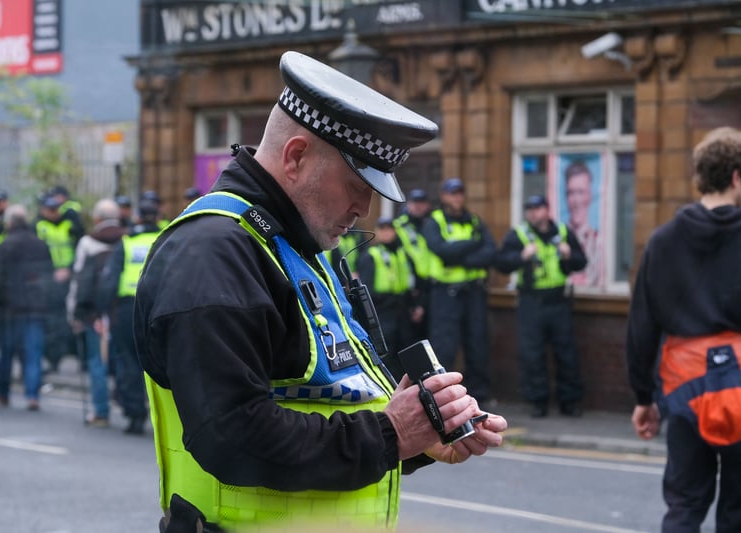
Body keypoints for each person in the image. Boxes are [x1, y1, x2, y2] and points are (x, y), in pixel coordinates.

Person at [133, 51, 507, 532]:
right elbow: (231, 436)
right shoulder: (213, 254)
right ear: (295, 157)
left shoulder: (292, 246)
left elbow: (331, 402)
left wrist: (417, 437)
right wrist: (391, 432)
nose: (364, 209)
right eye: (355, 184)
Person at [627, 127, 741, 532]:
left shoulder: (663, 241)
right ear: (736, 177)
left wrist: (644, 398)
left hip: (684, 387)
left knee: (684, 504)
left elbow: (642, 327)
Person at [495, 194, 588, 418]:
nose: (533, 213)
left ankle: (569, 402)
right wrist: (521, 256)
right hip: (531, 303)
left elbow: (581, 262)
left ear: (547, 210)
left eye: (537, 209)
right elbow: (501, 263)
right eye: (530, 209)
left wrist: (569, 254)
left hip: (559, 302)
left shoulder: (563, 232)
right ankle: (538, 402)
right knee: (532, 355)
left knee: (566, 354)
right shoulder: (519, 235)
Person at [421, 177, 497, 404]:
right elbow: (442, 251)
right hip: (446, 294)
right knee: (444, 346)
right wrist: (472, 245)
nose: (457, 198)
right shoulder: (434, 221)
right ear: (444, 196)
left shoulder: (474, 221)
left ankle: (478, 395)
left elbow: (490, 252)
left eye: (460, 193)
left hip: (474, 292)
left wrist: (461, 259)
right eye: (452, 193)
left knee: (477, 343)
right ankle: (442, 397)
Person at [97, 201, 162, 435]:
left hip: (129, 309)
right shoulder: (166, 238)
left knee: (129, 362)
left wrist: (102, 311)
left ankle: (135, 415)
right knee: (162, 362)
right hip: (159, 307)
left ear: (137, 217)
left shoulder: (126, 242)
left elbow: (110, 281)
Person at [0, 205, 54, 410]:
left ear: (9, 223)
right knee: (33, 352)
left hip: (10, 308)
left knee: (6, 352)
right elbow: (48, 276)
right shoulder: (40, 245)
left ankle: (3, 392)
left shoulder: (5, 245)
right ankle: (33, 395)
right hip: (36, 307)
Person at [66, 198, 127, 428]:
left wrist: (74, 312)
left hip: (94, 312)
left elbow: (79, 280)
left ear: (97, 218)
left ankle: (101, 412)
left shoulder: (88, 242)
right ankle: (130, 405)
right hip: (122, 309)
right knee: (124, 358)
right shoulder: (128, 239)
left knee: (97, 361)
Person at [355, 216, 416, 370]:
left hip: (402, 309)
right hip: (381, 311)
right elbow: (366, 289)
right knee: (386, 351)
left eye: (390, 229)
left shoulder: (402, 253)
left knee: (405, 349)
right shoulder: (370, 255)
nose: (387, 233)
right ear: (377, 231)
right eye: (383, 229)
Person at [36, 194, 82, 372]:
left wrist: (69, 269)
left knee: (66, 319)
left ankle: (66, 354)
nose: (53, 213)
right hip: (48, 278)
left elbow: (79, 247)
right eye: (50, 209)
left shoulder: (69, 224)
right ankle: (53, 358)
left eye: (55, 209)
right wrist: (51, 272)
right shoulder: (38, 226)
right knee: (51, 321)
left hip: (68, 277)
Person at [393, 188, 432, 346]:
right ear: (408, 204)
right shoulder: (399, 226)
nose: (418, 206)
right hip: (407, 286)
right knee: (406, 338)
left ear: (427, 205)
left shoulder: (431, 225)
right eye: (415, 202)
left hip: (429, 285)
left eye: (421, 203)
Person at [564, 160, 602, 288]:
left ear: (590, 196)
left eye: (581, 192)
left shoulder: (598, 241)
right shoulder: (559, 237)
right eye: (571, 193)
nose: (576, 201)